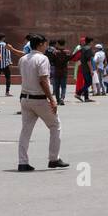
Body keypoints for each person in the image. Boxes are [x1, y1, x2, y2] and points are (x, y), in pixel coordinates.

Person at [17, 34, 68, 173]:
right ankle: (53, 158)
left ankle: (22, 162)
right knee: (55, 125)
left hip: (25, 98)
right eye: (45, 44)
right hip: (39, 99)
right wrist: (52, 98)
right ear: (40, 44)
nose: (46, 47)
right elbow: (43, 80)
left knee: (25, 131)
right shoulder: (42, 59)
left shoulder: (23, 59)